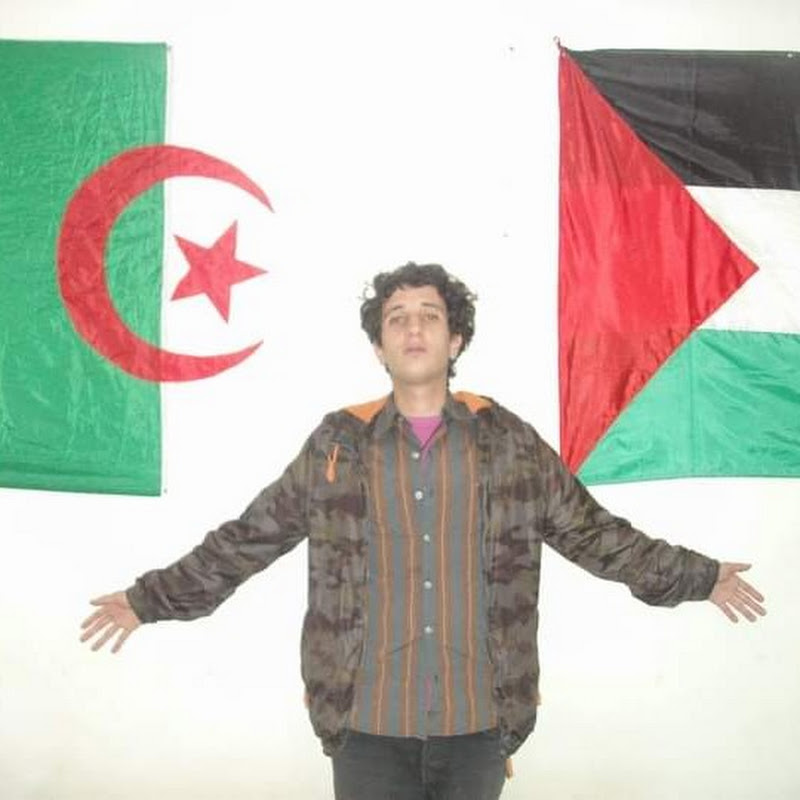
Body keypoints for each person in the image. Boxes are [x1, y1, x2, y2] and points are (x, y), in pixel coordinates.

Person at [81, 262, 766, 800]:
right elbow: (248, 539)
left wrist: (698, 577)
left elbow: (594, 534)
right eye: (397, 318)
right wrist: (148, 600)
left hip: (479, 726)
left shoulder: (508, 443)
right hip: (365, 727)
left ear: (455, 338)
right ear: (379, 346)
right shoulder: (338, 445)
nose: (413, 329)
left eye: (430, 316)